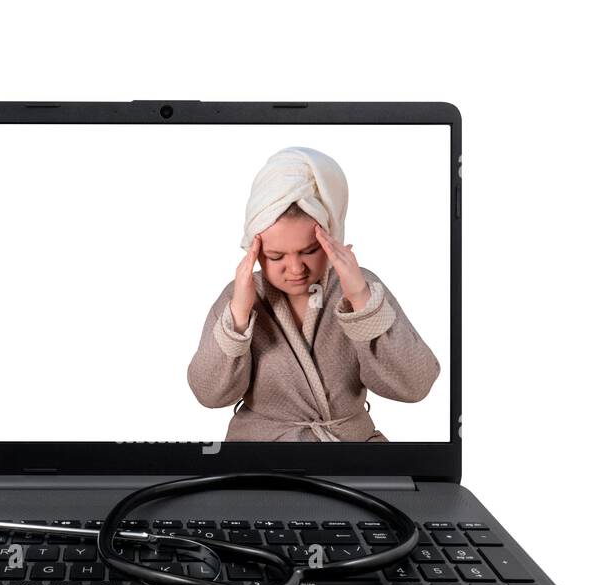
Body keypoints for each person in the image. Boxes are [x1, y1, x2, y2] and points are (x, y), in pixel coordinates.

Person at [187, 146, 441, 442]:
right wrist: (239, 317)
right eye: (276, 255)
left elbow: (415, 385)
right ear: (254, 253)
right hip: (259, 455)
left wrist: (360, 300)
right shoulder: (240, 297)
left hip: (347, 452)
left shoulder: (361, 288)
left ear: (332, 236)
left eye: (309, 251)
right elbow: (209, 395)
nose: (295, 268)